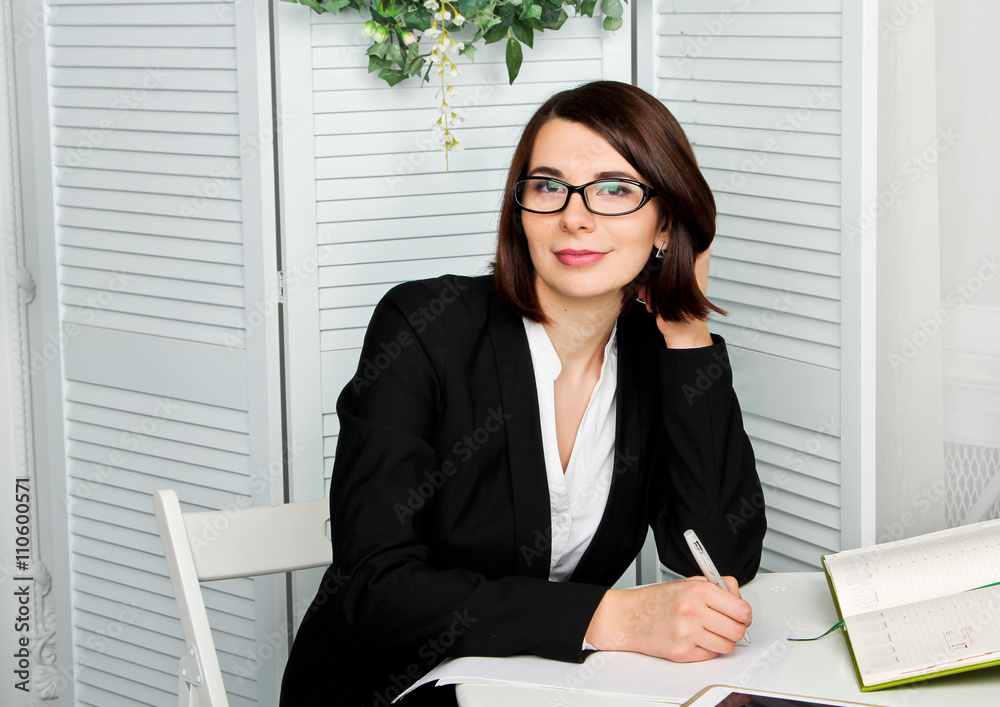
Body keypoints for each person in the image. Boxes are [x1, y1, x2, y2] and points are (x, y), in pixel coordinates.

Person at [280, 80, 766, 706]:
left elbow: (720, 555)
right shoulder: (425, 326)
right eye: (548, 186)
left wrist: (688, 332)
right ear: (521, 211)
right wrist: (610, 618)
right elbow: (374, 586)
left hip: (548, 690)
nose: (576, 216)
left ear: (667, 224)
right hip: (390, 691)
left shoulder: (657, 358)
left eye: (616, 189)